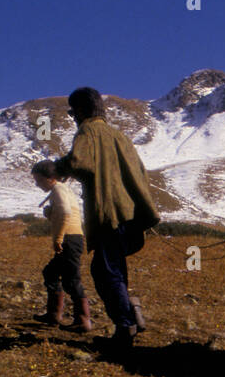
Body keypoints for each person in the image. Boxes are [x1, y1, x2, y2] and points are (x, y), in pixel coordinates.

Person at [54, 87, 160, 356]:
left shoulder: (88, 131)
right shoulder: (120, 136)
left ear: (80, 111)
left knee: (105, 272)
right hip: (128, 214)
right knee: (116, 270)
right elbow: (139, 172)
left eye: (72, 113)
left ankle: (125, 326)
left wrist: (57, 168)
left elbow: (78, 161)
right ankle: (131, 316)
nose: (73, 118)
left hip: (108, 214)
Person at [30, 160, 92, 332]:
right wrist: (51, 214)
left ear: (50, 178)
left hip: (69, 239)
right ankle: (54, 315)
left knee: (71, 279)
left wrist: (58, 239)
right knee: (50, 273)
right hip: (72, 238)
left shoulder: (58, 190)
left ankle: (83, 320)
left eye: (39, 180)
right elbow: (63, 213)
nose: (37, 184)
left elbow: (65, 212)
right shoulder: (61, 189)